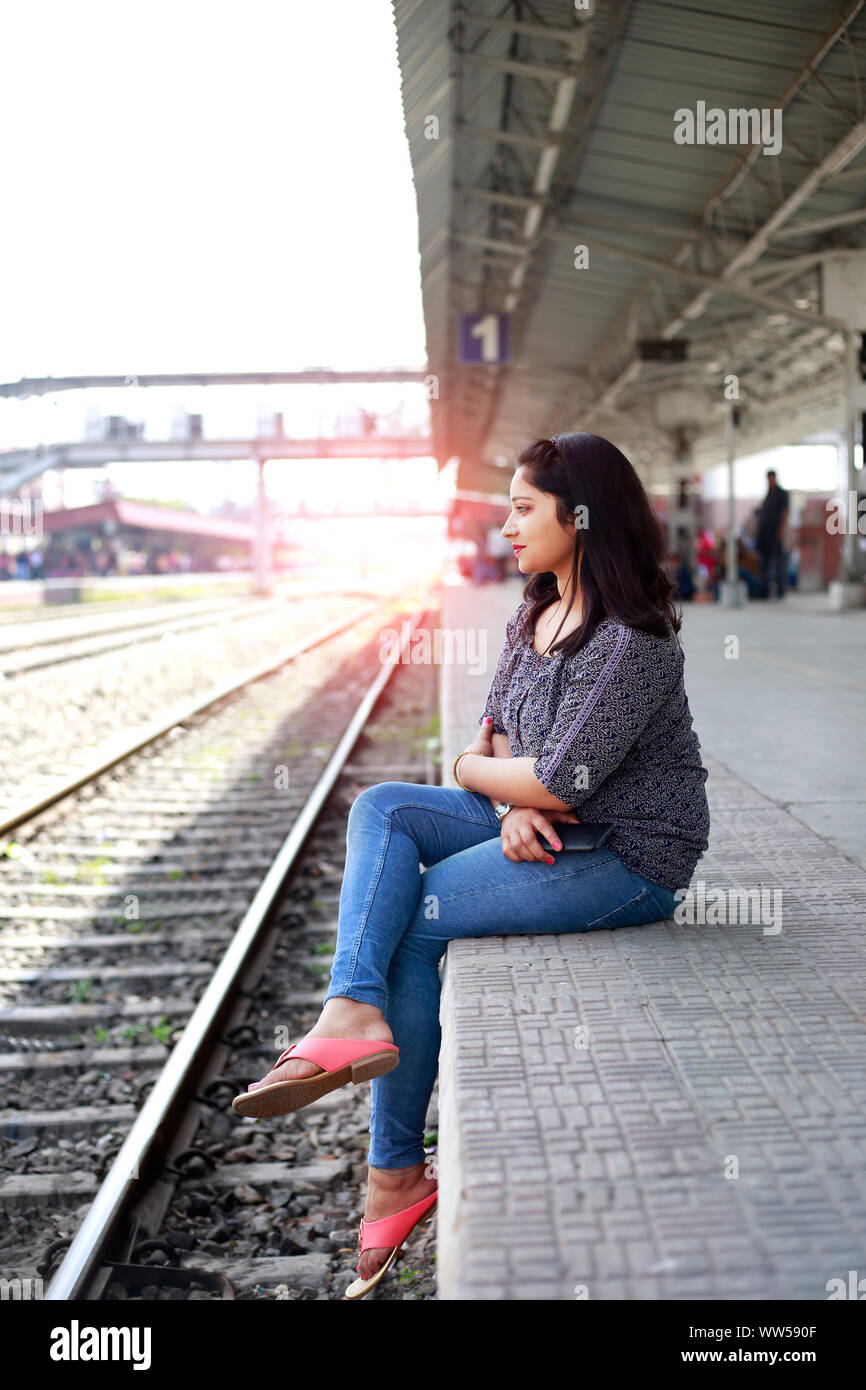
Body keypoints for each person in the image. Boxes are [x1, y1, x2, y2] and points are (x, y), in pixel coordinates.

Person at [232, 432, 711, 1298]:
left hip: (630, 853)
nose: (507, 529)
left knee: (422, 917)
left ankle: (392, 1175)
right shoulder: (533, 611)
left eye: (524, 509)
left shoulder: (636, 641)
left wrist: (500, 782)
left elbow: (555, 773)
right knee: (383, 807)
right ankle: (351, 1010)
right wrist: (513, 797)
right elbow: (496, 735)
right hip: (551, 823)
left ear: (582, 515)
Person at [755, 469, 789, 599]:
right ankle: (765, 590)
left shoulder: (781, 494)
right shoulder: (768, 494)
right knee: (765, 563)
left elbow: (786, 512)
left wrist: (781, 531)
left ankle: (781, 590)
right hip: (765, 535)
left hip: (775, 534)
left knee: (778, 563)